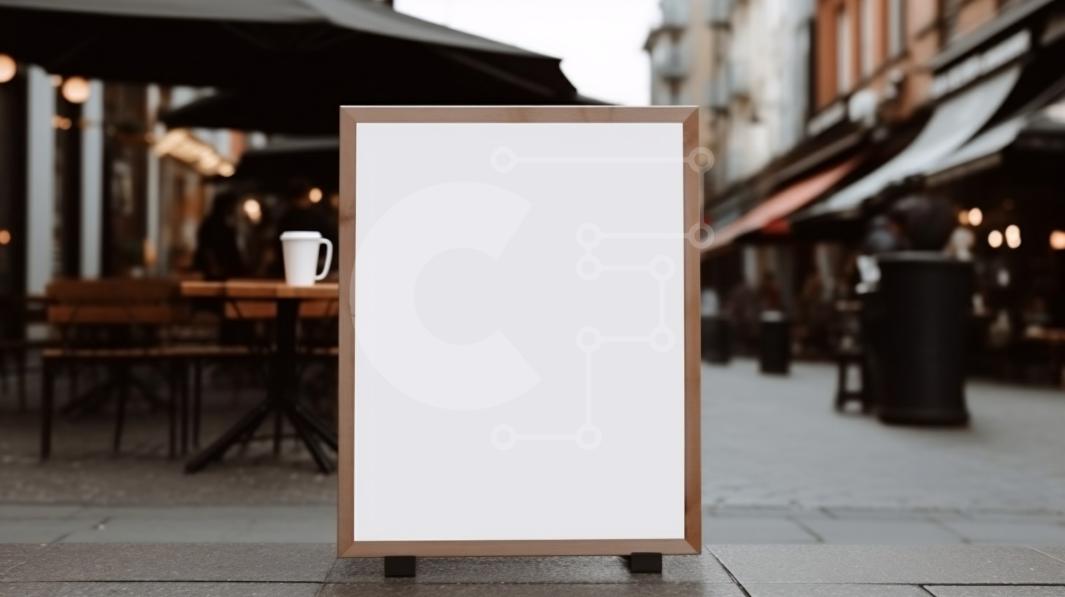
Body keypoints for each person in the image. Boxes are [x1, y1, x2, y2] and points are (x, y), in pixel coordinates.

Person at [193, 192, 245, 280]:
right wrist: (214, 267)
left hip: (227, 270)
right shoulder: (211, 224)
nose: (233, 208)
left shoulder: (228, 222)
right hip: (215, 270)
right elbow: (206, 247)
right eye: (231, 205)